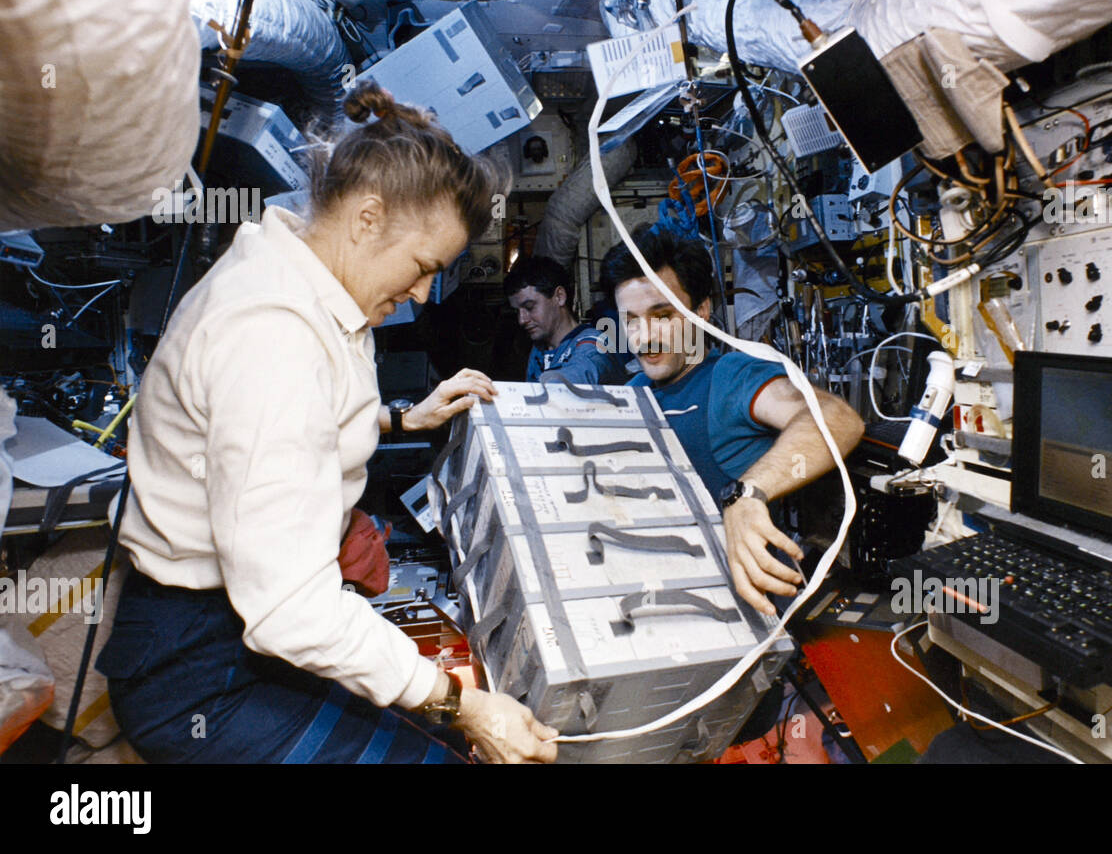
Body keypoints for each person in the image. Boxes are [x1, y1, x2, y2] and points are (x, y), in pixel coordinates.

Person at [94, 81, 557, 764]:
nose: (425, 293)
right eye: (425, 266)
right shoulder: (273, 333)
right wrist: (466, 704)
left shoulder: (302, 283)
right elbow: (288, 611)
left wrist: (401, 420)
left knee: (422, 726)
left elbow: (293, 423)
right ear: (368, 219)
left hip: (238, 631)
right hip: (201, 671)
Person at [601, 225, 865, 616]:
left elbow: (838, 419)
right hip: (658, 604)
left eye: (662, 315)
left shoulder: (730, 376)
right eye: (632, 320)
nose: (643, 338)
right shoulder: (633, 390)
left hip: (739, 616)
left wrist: (749, 494)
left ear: (701, 312)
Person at [504, 255, 626, 385]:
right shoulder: (539, 348)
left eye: (529, 307)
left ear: (559, 296)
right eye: (517, 311)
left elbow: (569, 382)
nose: (522, 320)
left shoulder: (592, 348)